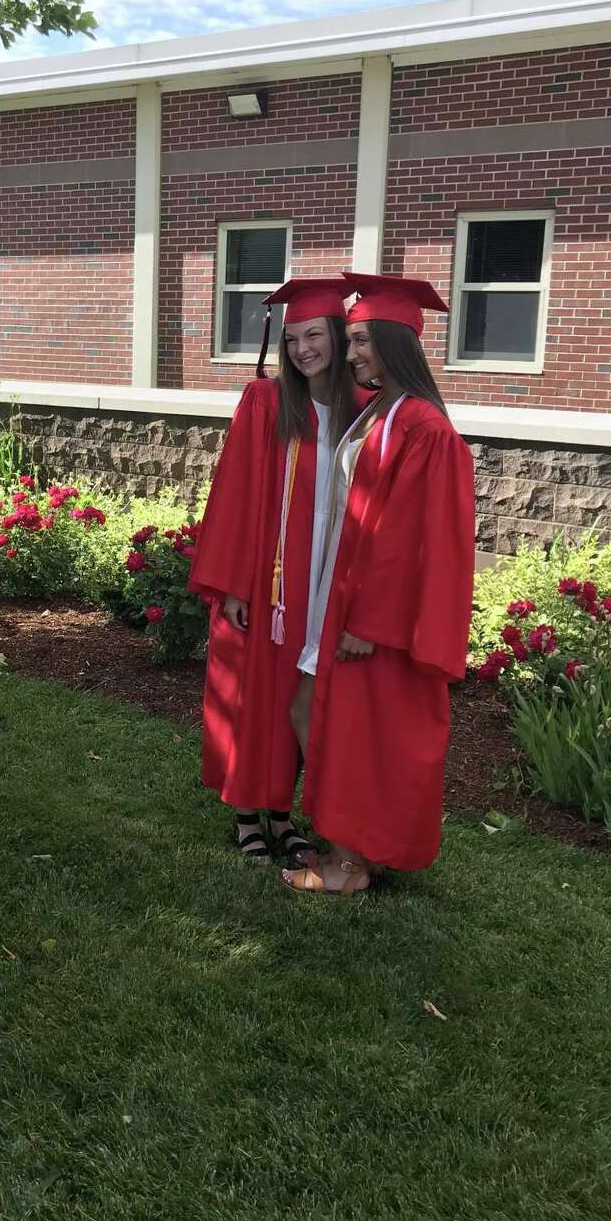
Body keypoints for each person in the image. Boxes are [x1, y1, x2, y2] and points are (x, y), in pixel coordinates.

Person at [283, 273, 475, 896]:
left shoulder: (424, 429)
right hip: (339, 597)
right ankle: (353, 845)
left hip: (370, 616)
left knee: (348, 728)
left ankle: (347, 865)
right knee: (314, 712)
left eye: (363, 341)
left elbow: (409, 539)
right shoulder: (382, 414)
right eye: (353, 340)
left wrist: (370, 622)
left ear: (396, 344)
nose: (354, 352)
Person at [188, 278, 359, 862]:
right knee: (255, 693)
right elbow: (234, 493)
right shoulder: (265, 403)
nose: (303, 349)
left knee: (299, 698)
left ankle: (284, 815)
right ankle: (246, 815)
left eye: (314, 334)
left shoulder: (359, 411)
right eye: (292, 339)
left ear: (338, 335)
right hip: (273, 582)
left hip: (324, 583)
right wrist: (235, 584)